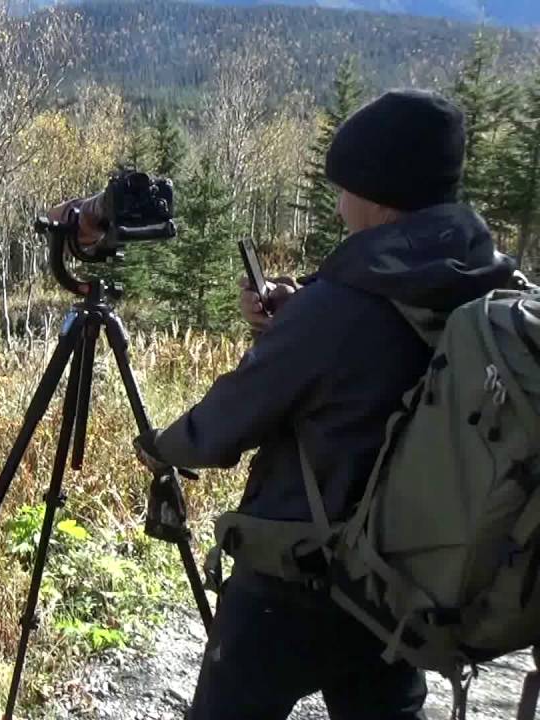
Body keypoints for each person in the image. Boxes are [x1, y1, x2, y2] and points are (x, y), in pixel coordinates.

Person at [49, 89, 524, 719]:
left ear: (381, 195)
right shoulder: (480, 280)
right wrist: (298, 320)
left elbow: (234, 416)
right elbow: (382, 366)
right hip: (403, 572)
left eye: (344, 186)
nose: (336, 201)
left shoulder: (344, 301)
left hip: (298, 573)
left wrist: (160, 446)